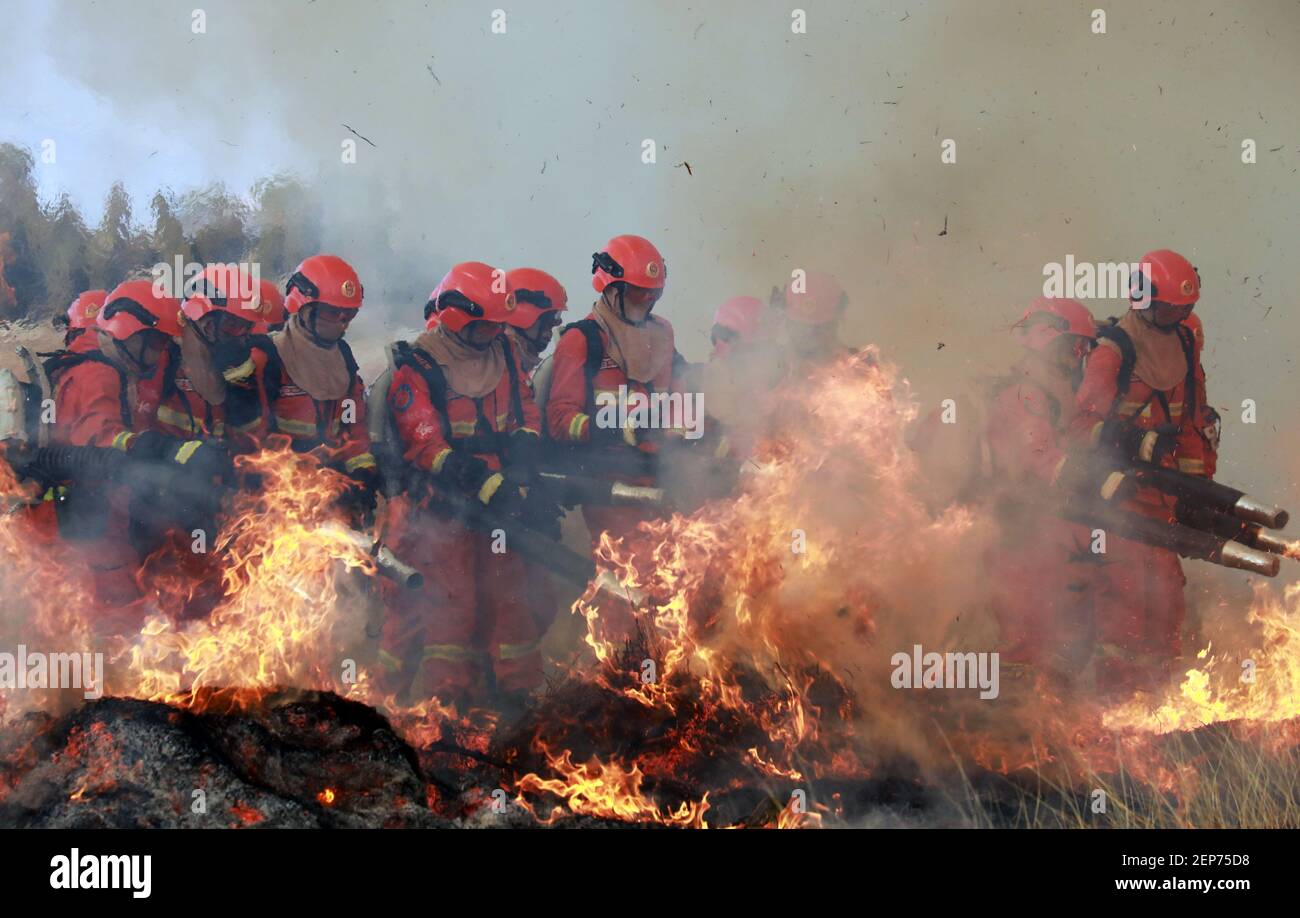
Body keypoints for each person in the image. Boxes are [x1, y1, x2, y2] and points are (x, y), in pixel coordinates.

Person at [379, 261, 544, 707]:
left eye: (497, 325)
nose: (491, 334)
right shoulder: (420, 365)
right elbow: (426, 444)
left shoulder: (504, 353)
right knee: (452, 608)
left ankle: (516, 697)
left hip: (499, 501)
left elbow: (524, 410)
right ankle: (444, 709)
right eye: (482, 326)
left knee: (509, 599)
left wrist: (524, 464)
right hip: (444, 508)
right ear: (455, 314)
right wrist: (482, 481)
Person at [1066, 248, 1211, 695]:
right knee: (1125, 601)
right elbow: (1078, 427)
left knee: (1165, 598)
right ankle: (1117, 713)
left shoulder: (1186, 342)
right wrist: (1133, 442)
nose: (1176, 314)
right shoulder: (1113, 352)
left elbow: (1192, 423)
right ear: (1142, 297)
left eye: (1184, 308)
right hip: (1120, 499)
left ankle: (1163, 708)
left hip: (1163, 503)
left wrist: (1198, 490)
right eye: (1168, 306)